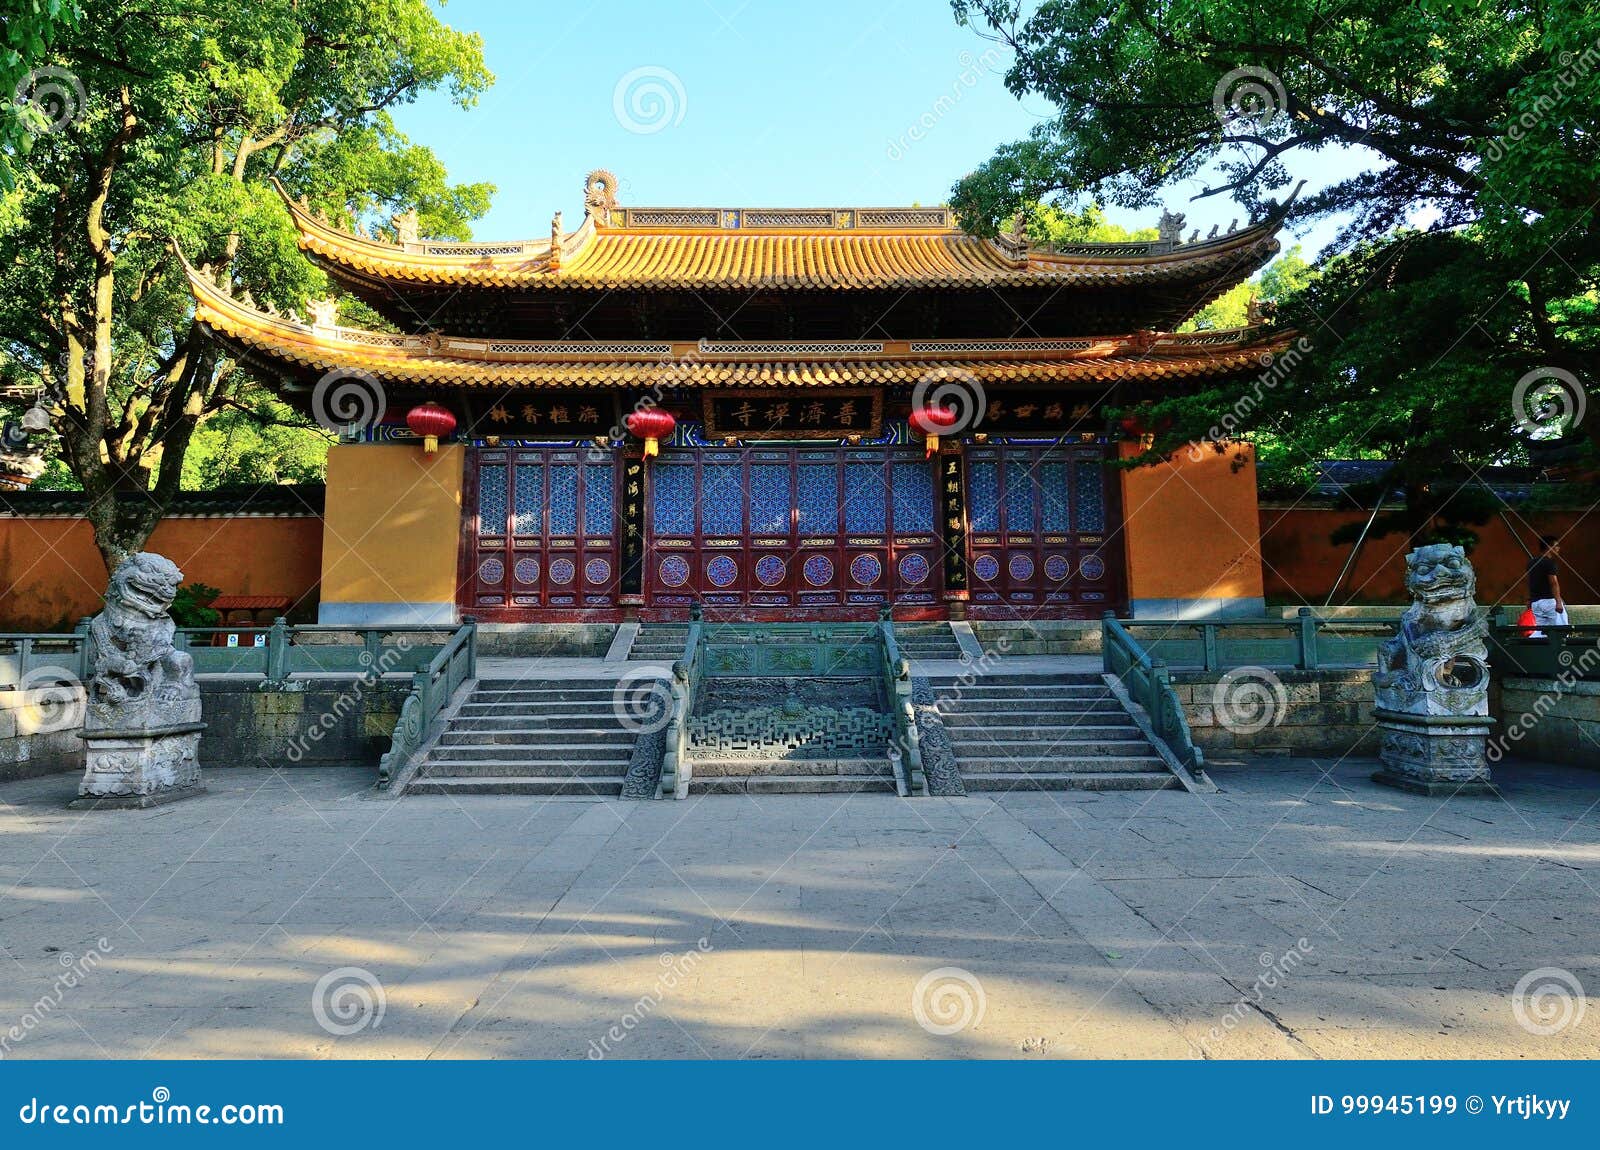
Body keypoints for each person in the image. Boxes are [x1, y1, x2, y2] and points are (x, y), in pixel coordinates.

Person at [1527, 536, 1568, 638]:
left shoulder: (1531, 562)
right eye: (1556, 545)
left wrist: (1530, 600)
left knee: (1541, 633)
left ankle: (1537, 651)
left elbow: (1531, 582)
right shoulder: (1550, 563)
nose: (1558, 548)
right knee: (1562, 631)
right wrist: (1558, 602)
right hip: (1550, 603)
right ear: (1549, 547)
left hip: (1536, 603)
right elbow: (1553, 583)